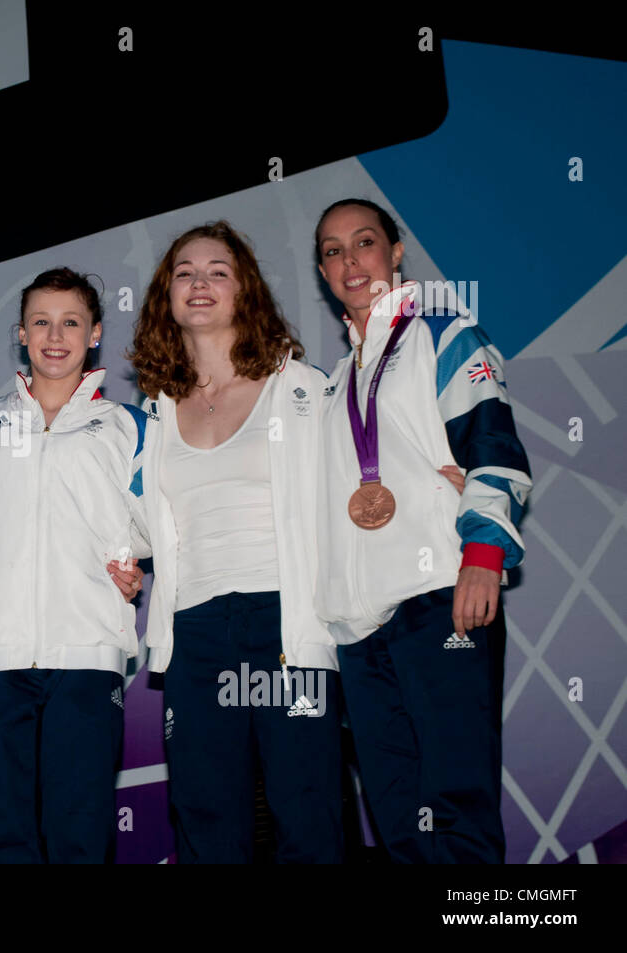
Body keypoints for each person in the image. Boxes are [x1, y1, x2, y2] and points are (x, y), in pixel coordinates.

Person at [114, 221, 346, 863]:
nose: (200, 283)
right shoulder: (156, 408)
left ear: (245, 291)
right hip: (196, 631)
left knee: (308, 806)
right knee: (206, 813)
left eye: (218, 270)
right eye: (185, 272)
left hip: (287, 626)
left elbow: (357, 476)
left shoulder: (298, 386)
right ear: (167, 295)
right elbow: (142, 522)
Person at [311, 198, 531, 862]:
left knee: (456, 810)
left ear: (396, 251)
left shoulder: (442, 329)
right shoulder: (330, 386)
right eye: (332, 250)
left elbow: (491, 438)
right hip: (360, 629)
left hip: (441, 596)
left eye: (364, 242)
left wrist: (483, 553)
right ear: (323, 271)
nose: (350, 261)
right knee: (402, 826)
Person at [0, 267, 146, 863]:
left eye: (70, 322)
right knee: (0, 836)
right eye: (41, 321)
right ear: (21, 333)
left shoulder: (128, 427)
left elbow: (155, 523)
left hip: (87, 657)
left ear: (94, 334)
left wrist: (128, 558)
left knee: (78, 836)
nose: (54, 335)